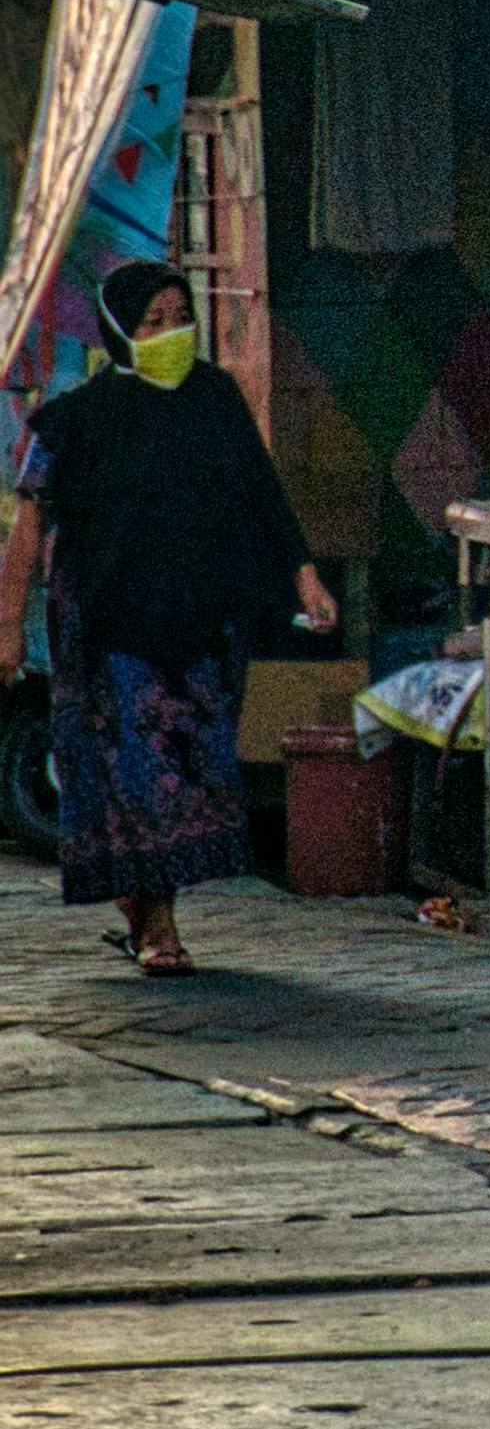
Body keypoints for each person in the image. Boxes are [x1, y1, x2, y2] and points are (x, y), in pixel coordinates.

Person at [0, 264, 334, 973]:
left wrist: (305, 576)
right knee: (135, 773)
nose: (171, 332)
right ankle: (157, 923)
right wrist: (6, 627)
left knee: (187, 772)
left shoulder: (214, 397)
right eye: (153, 321)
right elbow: (29, 527)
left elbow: (261, 491)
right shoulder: (74, 418)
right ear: (120, 329)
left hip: (201, 617)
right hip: (106, 625)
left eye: (181, 317)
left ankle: (150, 904)